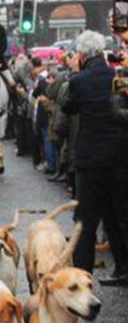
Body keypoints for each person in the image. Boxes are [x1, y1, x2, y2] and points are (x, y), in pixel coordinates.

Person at [59, 30, 128, 284]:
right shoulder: (117, 76)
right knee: (119, 216)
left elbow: (68, 106)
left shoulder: (79, 81)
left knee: (85, 221)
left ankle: (82, 274)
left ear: (83, 55)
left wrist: (75, 73)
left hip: (90, 161)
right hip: (120, 157)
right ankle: (123, 267)